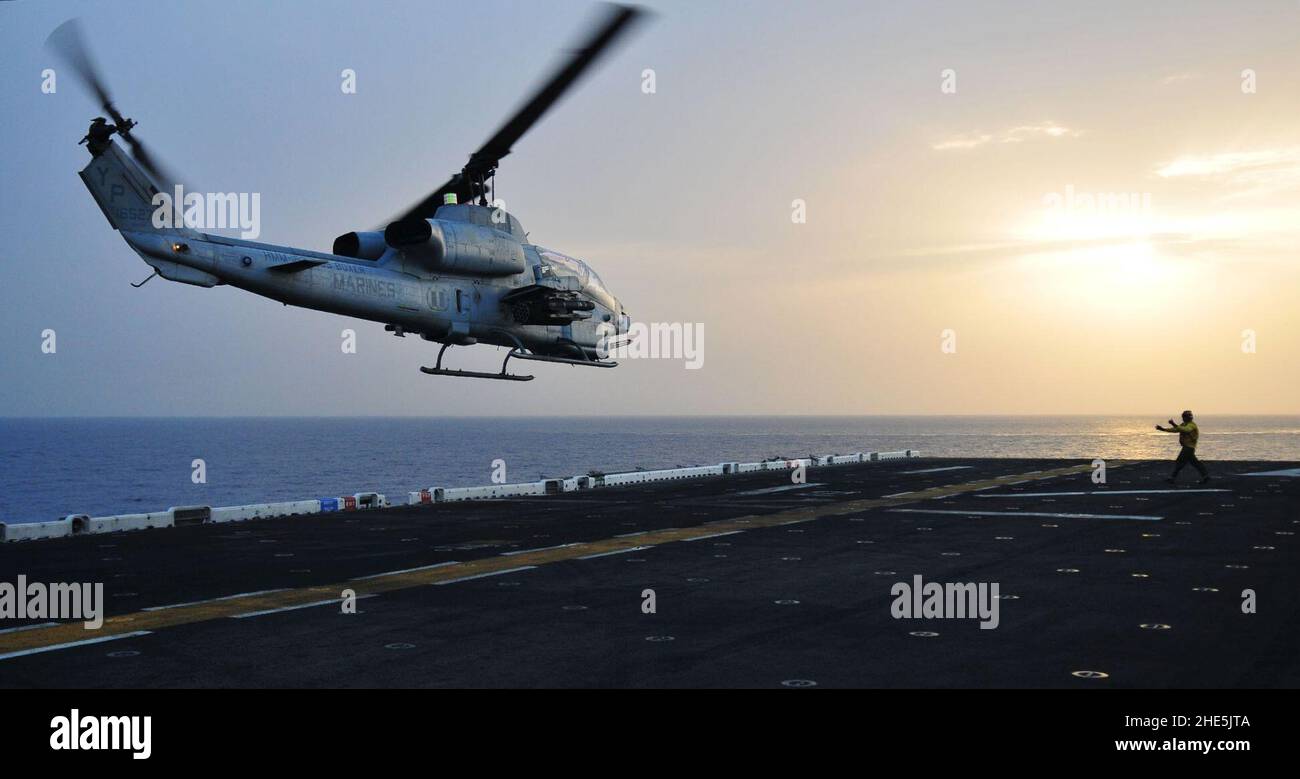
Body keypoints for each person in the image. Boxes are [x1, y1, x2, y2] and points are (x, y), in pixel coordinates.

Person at [1155, 410, 1210, 484]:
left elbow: (1186, 430)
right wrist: (1163, 429)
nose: (1188, 417)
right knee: (1195, 463)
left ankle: (1172, 478)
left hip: (1188, 447)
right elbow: (1176, 429)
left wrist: (1173, 424)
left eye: (1188, 416)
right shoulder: (1184, 424)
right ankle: (1206, 476)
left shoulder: (1191, 425)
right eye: (1187, 416)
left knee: (1180, 462)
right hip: (1188, 447)